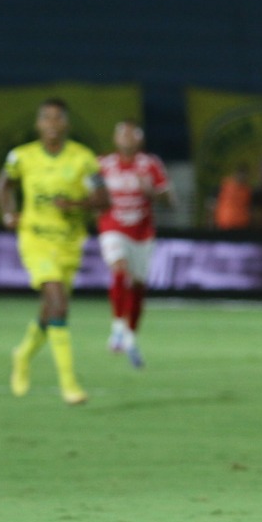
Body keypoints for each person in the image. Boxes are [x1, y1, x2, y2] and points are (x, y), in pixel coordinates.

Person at [0, 98, 106, 405]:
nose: (52, 124)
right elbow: (4, 184)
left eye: (58, 119)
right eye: (46, 118)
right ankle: (69, 384)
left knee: (50, 309)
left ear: (67, 125)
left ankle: (22, 355)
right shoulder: (22, 156)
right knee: (58, 300)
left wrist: (75, 205)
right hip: (35, 239)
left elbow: (103, 199)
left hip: (69, 243)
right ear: (38, 124)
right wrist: (8, 213)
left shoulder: (84, 160)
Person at [97, 120, 176, 366]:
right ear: (115, 139)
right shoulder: (102, 165)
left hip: (142, 233)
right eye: (122, 133)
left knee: (139, 286)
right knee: (119, 270)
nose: (127, 138)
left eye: (132, 134)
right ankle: (118, 327)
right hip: (113, 228)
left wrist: (152, 192)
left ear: (139, 139)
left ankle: (130, 336)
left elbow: (171, 202)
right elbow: (92, 197)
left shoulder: (150, 165)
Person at [212, 163, 255, 230]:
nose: (243, 177)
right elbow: (213, 202)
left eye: (245, 175)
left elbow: (250, 207)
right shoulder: (225, 185)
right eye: (242, 174)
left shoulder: (247, 190)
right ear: (237, 173)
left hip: (241, 224)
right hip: (224, 222)